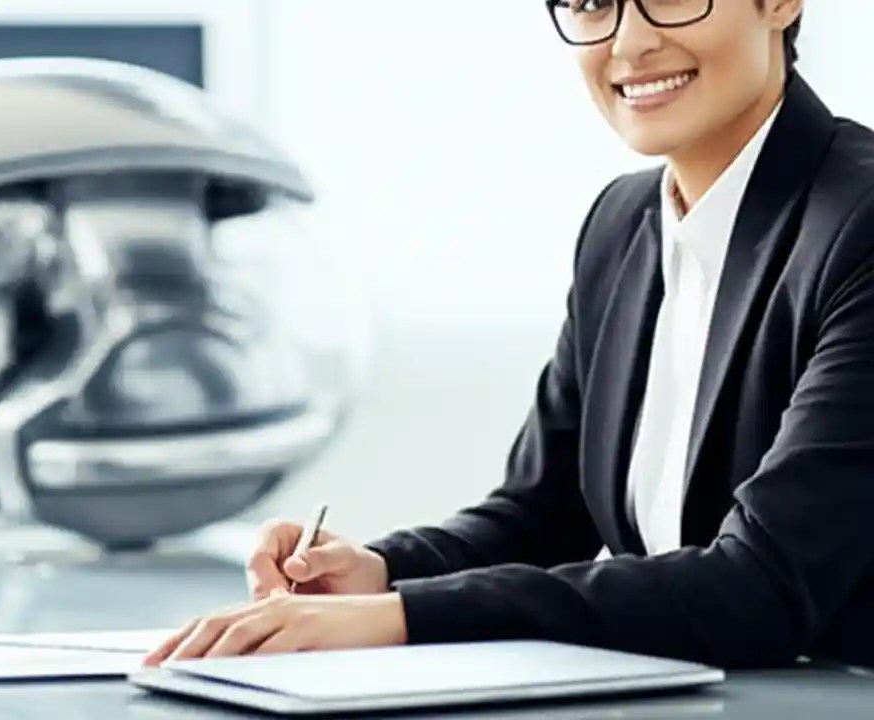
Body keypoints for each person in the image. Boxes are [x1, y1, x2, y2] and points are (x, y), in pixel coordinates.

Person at [144, 0, 874, 671]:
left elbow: (762, 586)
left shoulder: (859, 226)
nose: (630, 42)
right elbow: (540, 515)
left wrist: (401, 618)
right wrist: (379, 573)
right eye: (592, 3)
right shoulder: (622, 226)